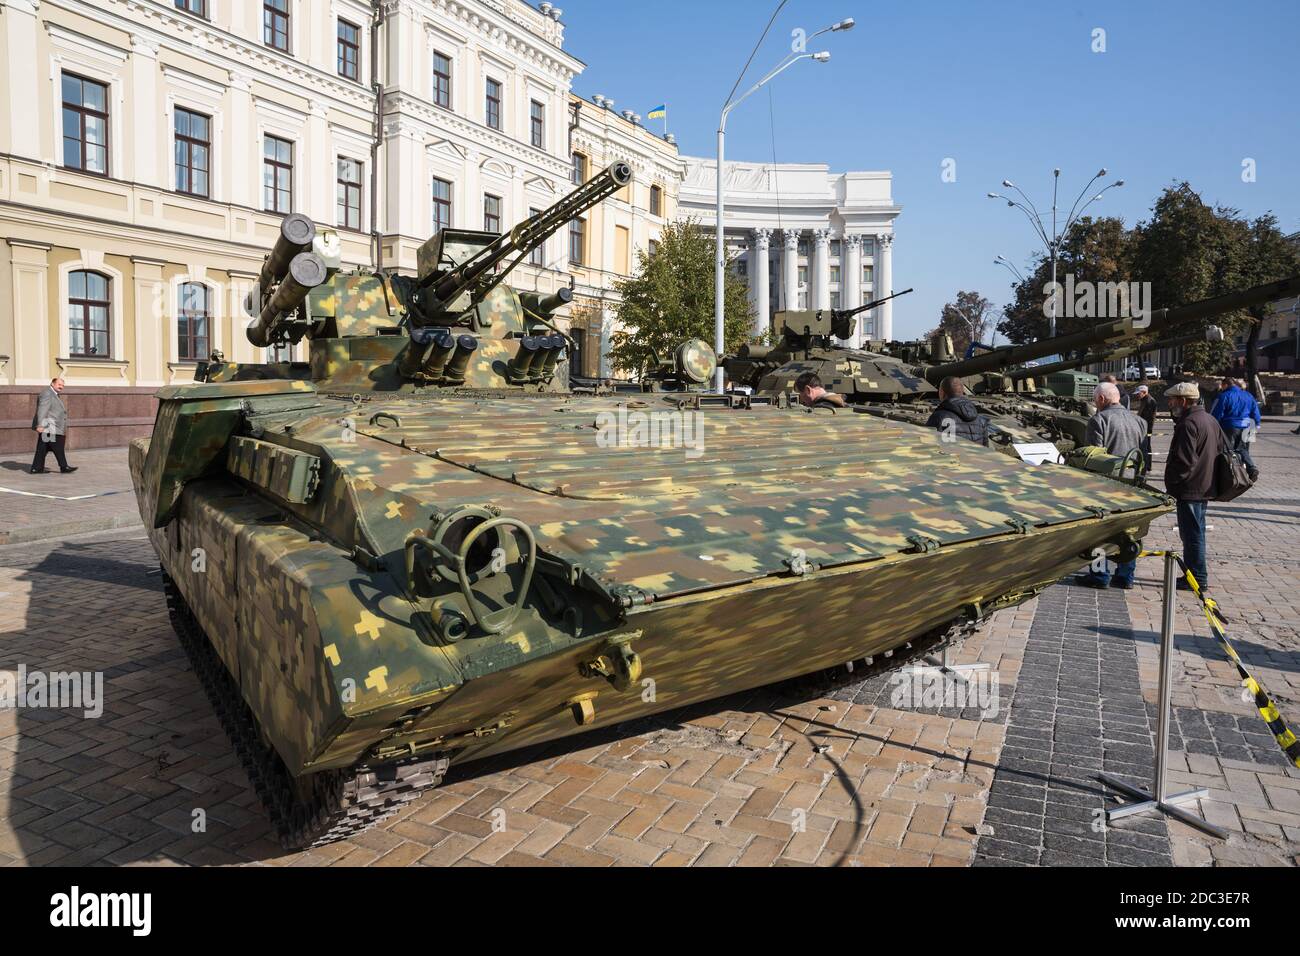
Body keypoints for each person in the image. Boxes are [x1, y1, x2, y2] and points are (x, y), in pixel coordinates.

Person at [1080, 382, 1146, 589]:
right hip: (1133, 482)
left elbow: (1094, 455)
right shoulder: (1140, 421)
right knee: (1129, 531)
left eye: (1095, 399)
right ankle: (1126, 576)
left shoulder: (1099, 420)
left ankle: (1099, 575)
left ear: (1101, 399)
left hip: (1105, 483)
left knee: (1098, 532)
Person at [1165, 382, 1217, 591]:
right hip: (1203, 484)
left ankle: (1197, 578)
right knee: (1196, 533)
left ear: (1183, 401)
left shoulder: (1189, 424)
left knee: (1192, 535)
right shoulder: (1209, 419)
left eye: (1173, 400)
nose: (1170, 404)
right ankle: (1196, 575)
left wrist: (1174, 484)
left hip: (1190, 488)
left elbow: (1184, 461)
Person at [1210, 376, 1261, 482]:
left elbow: (1217, 413)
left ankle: (1228, 472)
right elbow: (1255, 411)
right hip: (1247, 426)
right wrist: (1257, 423)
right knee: (1243, 449)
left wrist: (1212, 424)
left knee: (1228, 450)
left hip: (1230, 426)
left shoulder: (1224, 396)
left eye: (1222, 386)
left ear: (1225, 385)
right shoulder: (1248, 395)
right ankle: (1251, 468)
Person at [924, 376, 990, 445]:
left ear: (942, 392)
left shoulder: (938, 417)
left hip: (952, 455)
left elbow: (927, 444)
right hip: (977, 455)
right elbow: (986, 448)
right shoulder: (980, 419)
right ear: (962, 392)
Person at [30, 377, 77, 474]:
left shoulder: (53, 393)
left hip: (50, 425)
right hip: (49, 425)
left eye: (63, 385)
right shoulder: (47, 393)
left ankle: (36, 468)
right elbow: (42, 409)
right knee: (58, 445)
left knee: (43, 447)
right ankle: (64, 466)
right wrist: (40, 425)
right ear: (52, 384)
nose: (61, 387)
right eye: (59, 384)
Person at [1130, 384, 1158, 473]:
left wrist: (1147, 429)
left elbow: (1149, 418)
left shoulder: (1150, 401)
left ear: (1144, 392)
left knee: (1146, 447)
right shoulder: (1144, 400)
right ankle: (1146, 464)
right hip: (1143, 427)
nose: (1137, 395)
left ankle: (1147, 465)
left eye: (1139, 393)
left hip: (1146, 428)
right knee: (1145, 447)